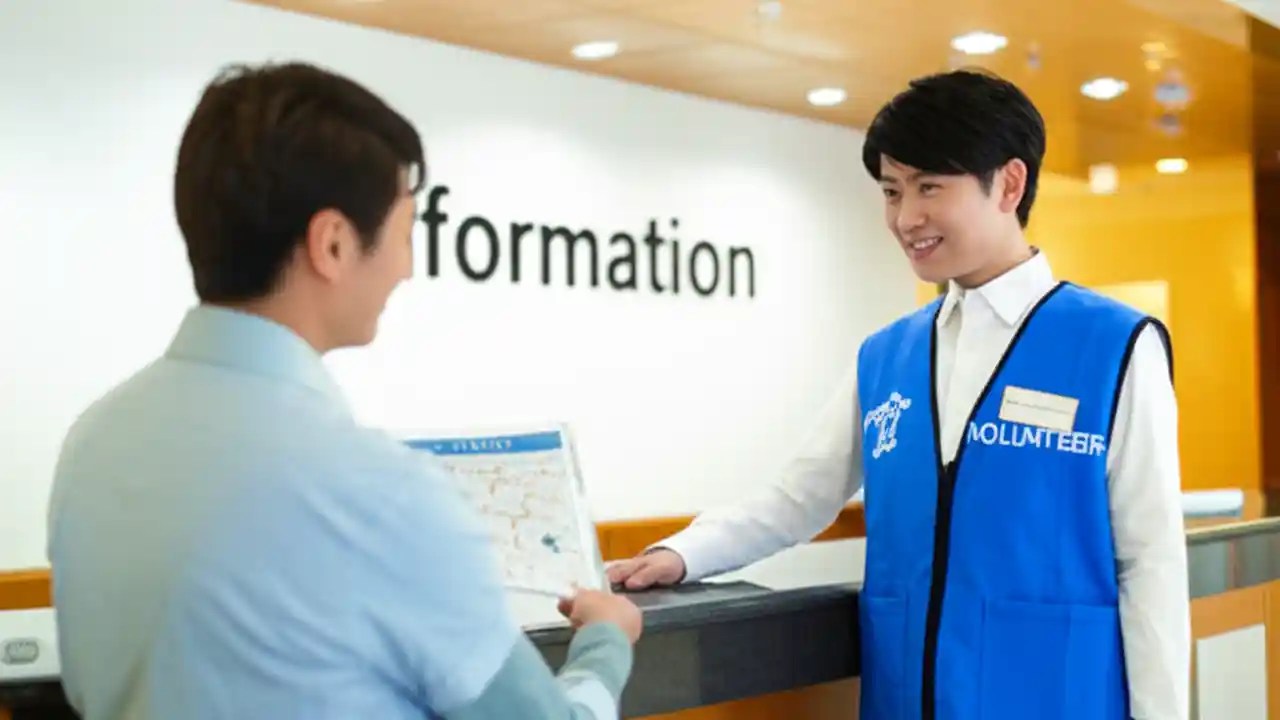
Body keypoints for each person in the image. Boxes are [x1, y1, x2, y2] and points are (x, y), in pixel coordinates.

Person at [47, 62, 640, 720]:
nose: (409, 269)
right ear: (331, 243)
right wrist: (605, 644)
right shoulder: (378, 493)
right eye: (408, 234)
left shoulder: (92, 446)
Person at [609, 70, 1190, 720]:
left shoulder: (1112, 345)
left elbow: (1151, 561)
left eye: (929, 188)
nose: (906, 217)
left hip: (1053, 696)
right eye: (892, 191)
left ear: (1010, 183)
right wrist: (680, 555)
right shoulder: (887, 356)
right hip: (905, 700)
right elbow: (798, 497)